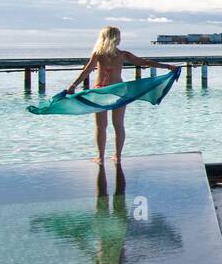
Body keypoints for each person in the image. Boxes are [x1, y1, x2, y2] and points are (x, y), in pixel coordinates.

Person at [67, 26, 179, 163]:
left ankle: (100, 158)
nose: (120, 39)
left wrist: (73, 85)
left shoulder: (98, 54)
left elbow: (86, 71)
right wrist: (167, 66)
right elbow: (145, 62)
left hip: (101, 91)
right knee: (118, 125)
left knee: (101, 126)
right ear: (115, 38)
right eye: (119, 36)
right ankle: (117, 156)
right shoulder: (123, 55)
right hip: (119, 91)